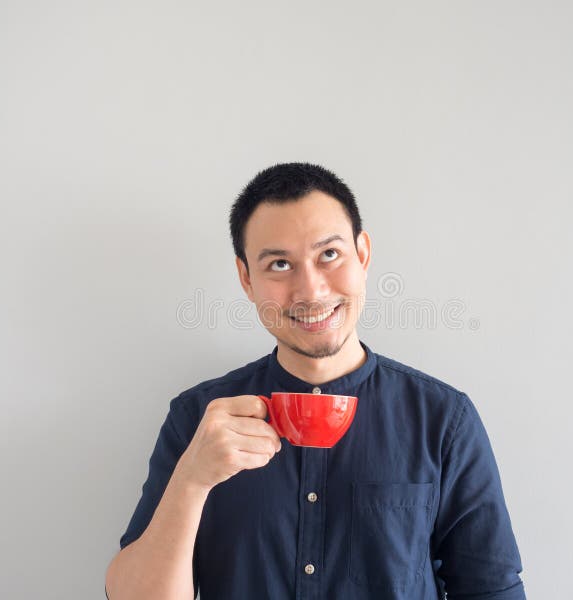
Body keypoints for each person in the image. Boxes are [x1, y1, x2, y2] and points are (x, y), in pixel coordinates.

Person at [105, 163, 525, 600]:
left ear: (363, 254)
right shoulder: (197, 418)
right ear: (247, 278)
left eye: (329, 255)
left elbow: (491, 589)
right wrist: (191, 480)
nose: (310, 291)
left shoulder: (443, 419)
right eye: (280, 264)